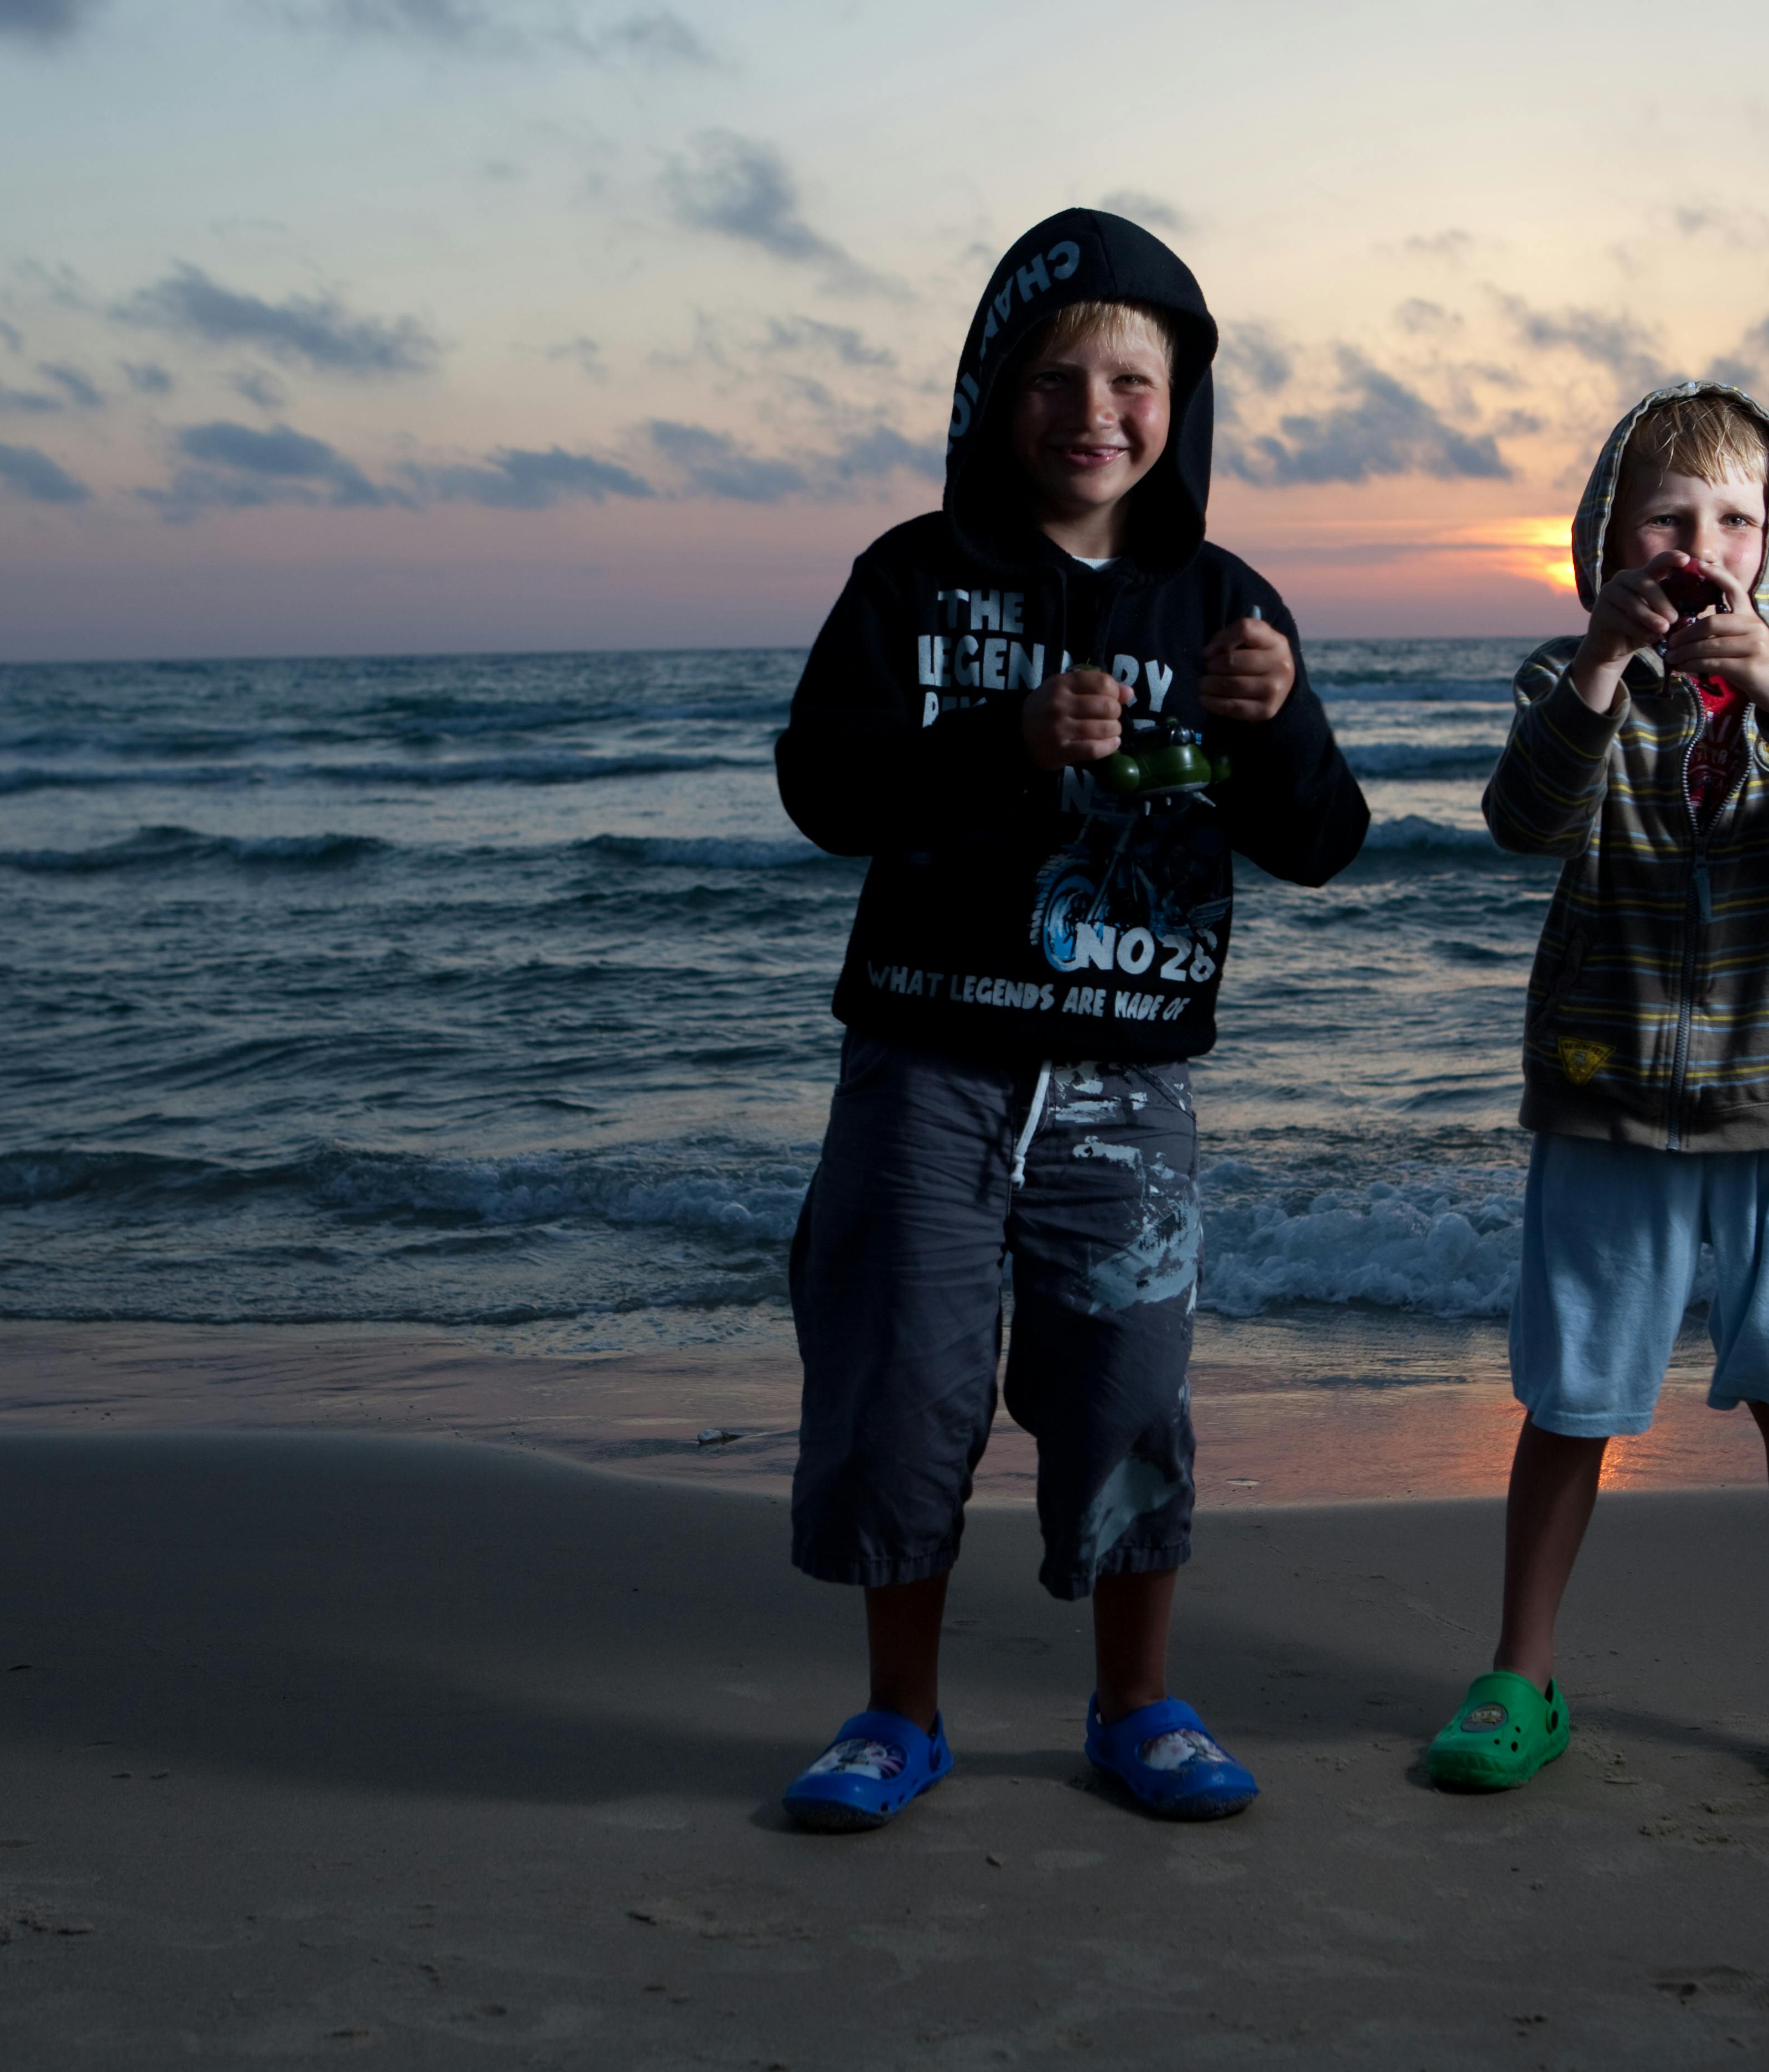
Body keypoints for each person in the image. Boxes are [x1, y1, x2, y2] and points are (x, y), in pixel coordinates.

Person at [770, 209, 1367, 1831]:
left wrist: (1282, 721)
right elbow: (822, 788)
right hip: (926, 1064)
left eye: (1132, 376)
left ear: (1184, 400)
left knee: (1124, 1393)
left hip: (1129, 1086)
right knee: (903, 1390)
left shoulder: (1224, 601)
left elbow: (1324, 842)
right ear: (989, 392)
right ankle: (898, 1715)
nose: (1093, 409)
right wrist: (1003, 741)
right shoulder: (912, 576)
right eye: (1053, 375)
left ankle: (1138, 1704)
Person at [1428, 382, 1769, 1810]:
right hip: (1605, 1094)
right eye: (1667, 518)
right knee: (1577, 1395)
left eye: (1735, 521)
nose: (1702, 545)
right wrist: (1597, 658)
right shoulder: (1570, 674)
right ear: (1607, 539)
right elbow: (1524, 820)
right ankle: (1523, 1667)